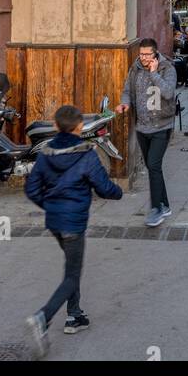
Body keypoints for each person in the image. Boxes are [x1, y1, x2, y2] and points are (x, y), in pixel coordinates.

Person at [25, 103, 123, 354]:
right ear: (80, 127)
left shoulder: (45, 153)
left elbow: (32, 189)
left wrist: (50, 205)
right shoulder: (86, 153)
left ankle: (75, 315)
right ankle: (43, 317)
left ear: (56, 126)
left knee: (71, 266)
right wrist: (117, 192)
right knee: (72, 275)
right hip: (74, 223)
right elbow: (103, 187)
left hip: (55, 222)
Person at [116, 37, 177, 225]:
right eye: (141, 54)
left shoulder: (167, 68)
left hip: (161, 125)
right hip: (142, 126)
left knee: (153, 165)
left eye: (147, 54)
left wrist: (154, 74)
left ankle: (156, 209)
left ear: (155, 53)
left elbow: (168, 93)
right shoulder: (134, 68)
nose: (143, 58)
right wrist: (125, 103)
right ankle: (165, 205)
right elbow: (127, 90)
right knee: (153, 167)